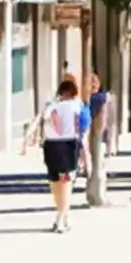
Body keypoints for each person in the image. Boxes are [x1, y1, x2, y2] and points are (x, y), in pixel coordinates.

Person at [39, 79, 84, 233]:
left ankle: (63, 214)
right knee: (66, 181)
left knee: (55, 182)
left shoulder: (51, 106)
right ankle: (61, 216)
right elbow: (79, 127)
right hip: (68, 146)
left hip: (51, 146)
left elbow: (44, 123)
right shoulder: (76, 106)